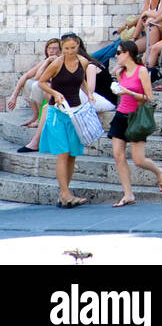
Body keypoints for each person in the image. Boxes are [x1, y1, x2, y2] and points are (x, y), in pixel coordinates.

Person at [35, 32, 95, 207]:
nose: (70, 51)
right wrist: (54, 93)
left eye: (73, 48)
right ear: (62, 47)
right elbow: (42, 82)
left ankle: (64, 193)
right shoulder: (57, 63)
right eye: (66, 48)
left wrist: (88, 93)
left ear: (78, 47)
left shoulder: (83, 62)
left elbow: (81, 80)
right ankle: (66, 194)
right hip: (58, 112)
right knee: (63, 154)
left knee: (72, 155)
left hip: (75, 112)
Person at [107, 41, 162, 206]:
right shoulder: (122, 72)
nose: (116, 55)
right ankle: (128, 194)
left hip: (136, 117)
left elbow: (149, 98)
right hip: (121, 115)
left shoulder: (141, 71)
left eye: (119, 52)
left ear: (127, 53)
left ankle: (159, 171)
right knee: (118, 156)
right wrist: (117, 74)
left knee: (139, 160)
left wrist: (130, 92)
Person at [8, 38, 59, 128]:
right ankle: (36, 115)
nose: (51, 51)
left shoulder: (61, 61)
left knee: (36, 85)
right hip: (47, 91)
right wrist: (14, 95)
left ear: (60, 50)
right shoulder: (45, 61)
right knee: (27, 82)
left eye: (55, 48)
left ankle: (41, 118)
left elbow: (38, 78)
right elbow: (27, 75)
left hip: (57, 94)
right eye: (49, 48)